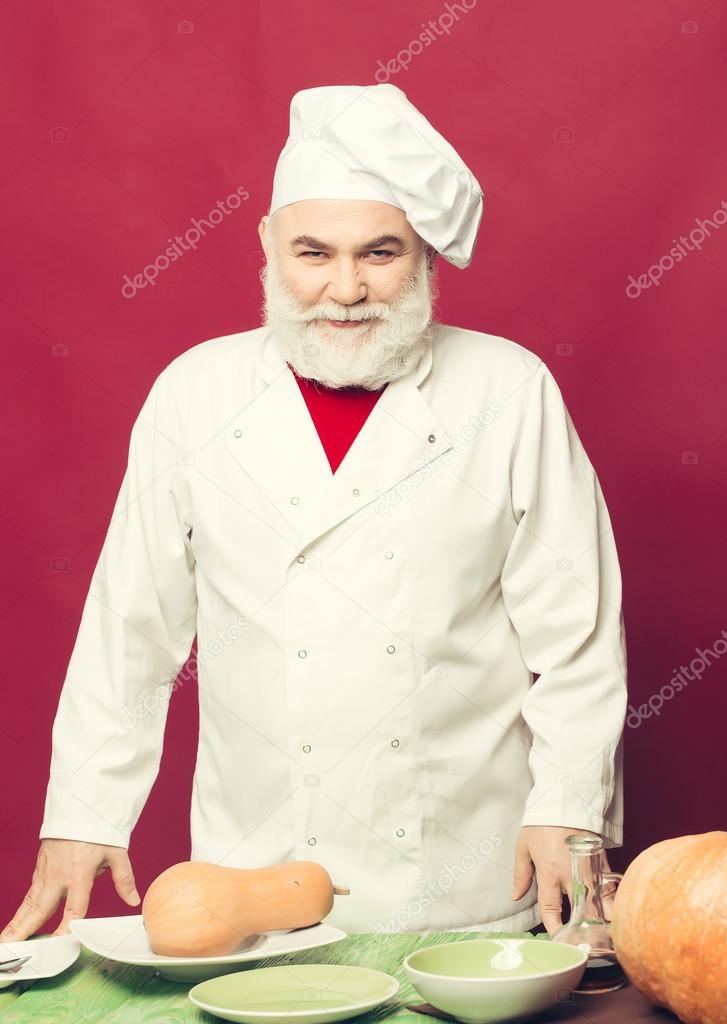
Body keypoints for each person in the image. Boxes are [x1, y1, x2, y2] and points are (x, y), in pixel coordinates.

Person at [1, 84, 627, 943]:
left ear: (426, 259)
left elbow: (578, 634)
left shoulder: (508, 390)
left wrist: (568, 805)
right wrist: (82, 813)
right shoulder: (195, 394)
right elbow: (130, 629)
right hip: (252, 886)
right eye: (313, 252)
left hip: (464, 883)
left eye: (379, 253)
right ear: (266, 248)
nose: (345, 288)